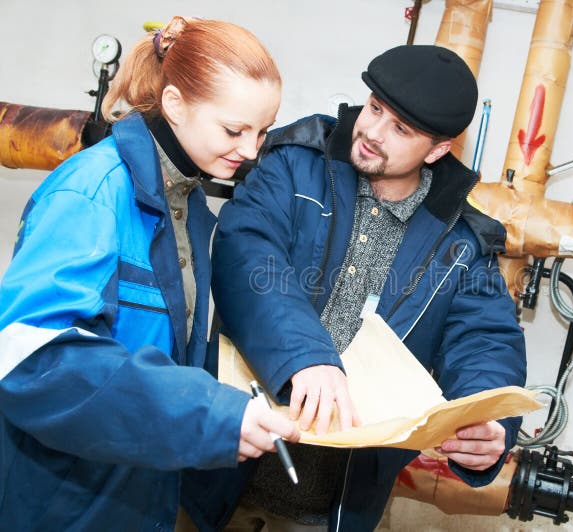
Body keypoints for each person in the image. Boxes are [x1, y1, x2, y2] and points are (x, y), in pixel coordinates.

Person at [0, 16, 299, 530]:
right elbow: (32, 362)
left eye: (262, 132)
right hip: (65, 500)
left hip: (136, 486)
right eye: (234, 130)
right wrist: (208, 413)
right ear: (175, 104)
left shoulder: (186, 201)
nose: (251, 151)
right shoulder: (91, 193)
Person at [211, 44, 527, 531]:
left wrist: (489, 425)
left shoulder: (461, 244)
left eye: (401, 129)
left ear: (437, 150)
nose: (373, 132)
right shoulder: (294, 165)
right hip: (218, 475)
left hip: (330, 511)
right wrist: (305, 356)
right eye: (375, 108)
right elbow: (247, 252)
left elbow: (485, 340)